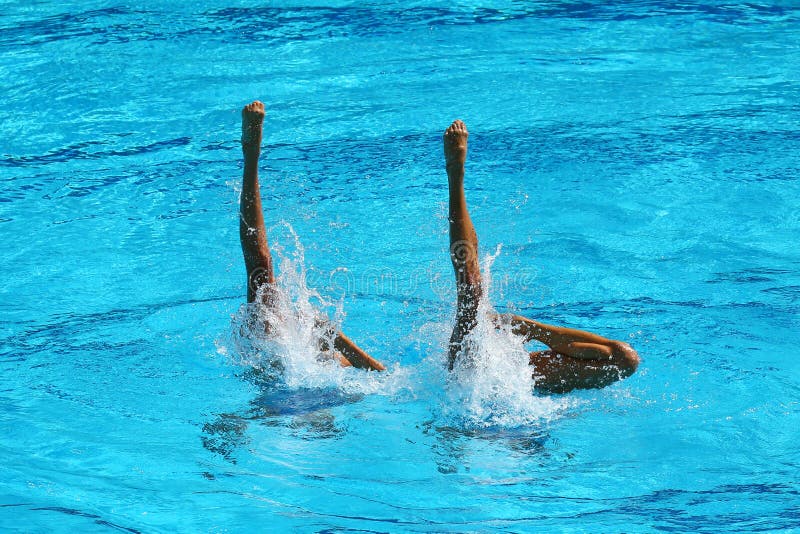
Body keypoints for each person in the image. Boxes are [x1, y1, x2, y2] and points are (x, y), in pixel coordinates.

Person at [442, 120, 639, 393]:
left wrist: (533, 331)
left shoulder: (524, 381)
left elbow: (622, 359)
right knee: (471, 294)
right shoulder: (483, 383)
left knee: (625, 359)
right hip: (469, 379)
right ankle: (456, 174)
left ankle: (528, 327)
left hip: (501, 382)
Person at [239, 100, 385, 371]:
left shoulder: (330, 368)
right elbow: (380, 374)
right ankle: (251, 155)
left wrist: (334, 338)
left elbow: (382, 378)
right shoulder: (320, 362)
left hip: (296, 392)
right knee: (261, 270)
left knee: (261, 274)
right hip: (293, 382)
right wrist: (334, 338)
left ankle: (251, 156)